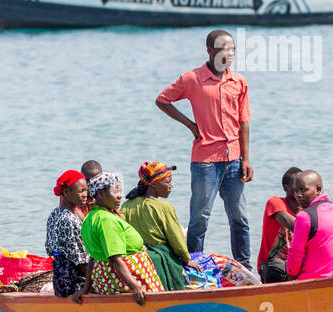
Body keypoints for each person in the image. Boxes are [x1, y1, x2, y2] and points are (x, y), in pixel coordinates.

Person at [155, 29, 253, 267]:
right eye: (222, 48)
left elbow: (244, 121)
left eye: (232, 49)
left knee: (239, 218)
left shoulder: (238, 81)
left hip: (234, 159)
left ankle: (245, 268)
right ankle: (193, 266)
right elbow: (162, 100)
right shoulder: (192, 78)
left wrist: (247, 159)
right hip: (205, 160)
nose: (227, 53)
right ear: (209, 50)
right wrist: (190, 125)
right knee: (200, 217)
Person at [79, 172, 163, 305]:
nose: (119, 196)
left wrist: (86, 288)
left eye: (119, 190)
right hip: (123, 277)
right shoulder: (106, 220)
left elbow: (93, 257)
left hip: (107, 275)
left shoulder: (91, 216)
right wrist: (134, 287)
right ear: (99, 194)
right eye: (114, 191)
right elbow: (115, 258)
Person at [121, 161, 190, 290]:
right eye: (167, 182)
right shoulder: (164, 207)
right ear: (153, 184)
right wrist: (186, 259)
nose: (171, 186)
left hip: (137, 258)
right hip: (159, 257)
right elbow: (176, 239)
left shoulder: (126, 205)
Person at [285, 170, 333, 281]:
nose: (298, 195)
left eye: (303, 190)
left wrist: (289, 281)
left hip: (311, 281)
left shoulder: (304, 217)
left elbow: (295, 255)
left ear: (318, 189)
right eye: (296, 191)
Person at [45, 169, 91, 300]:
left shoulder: (56, 213)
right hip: (73, 282)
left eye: (86, 190)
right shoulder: (68, 220)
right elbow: (82, 262)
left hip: (60, 279)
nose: (85, 195)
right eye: (81, 191)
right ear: (66, 192)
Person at [257, 167, 302, 283]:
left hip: (296, 264)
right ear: (286, 188)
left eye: (303, 184)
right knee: (278, 267)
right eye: (297, 185)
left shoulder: (308, 211)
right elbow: (290, 223)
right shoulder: (275, 202)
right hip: (271, 265)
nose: (301, 188)